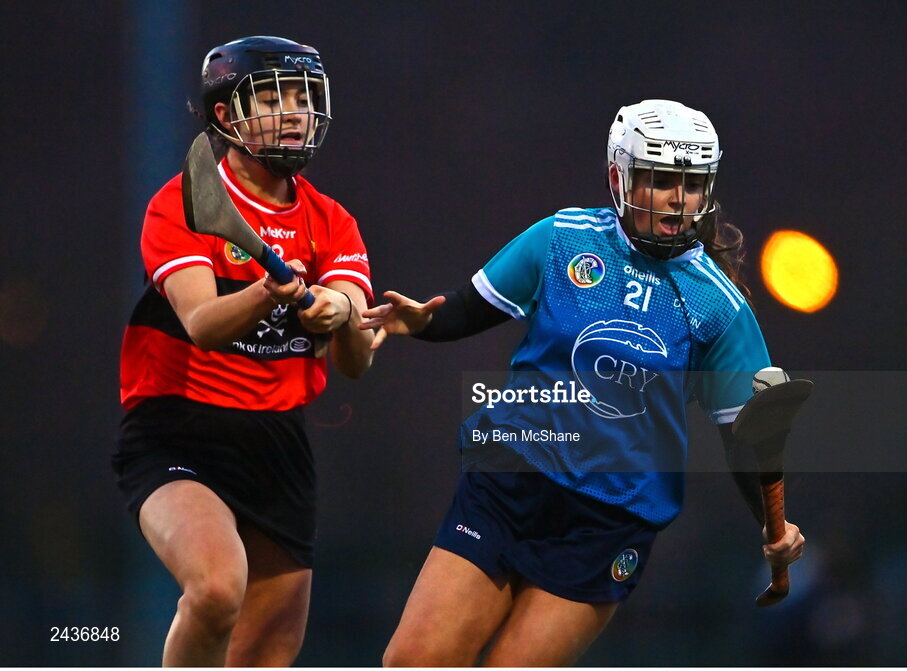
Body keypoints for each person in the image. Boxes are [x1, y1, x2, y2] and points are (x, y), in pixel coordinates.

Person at [362, 99, 805, 666]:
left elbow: (750, 436)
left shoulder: (719, 304)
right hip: (507, 487)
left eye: (692, 185)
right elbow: (467, 309)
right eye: (661, 181)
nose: (678, 199)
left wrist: (774, 527)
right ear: (620, 177)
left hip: (605, 524)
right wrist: (422, 322)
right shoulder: (562, 238)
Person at [112, 36, 374, 666]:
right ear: (227, 115)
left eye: (304, 98)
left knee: (266, 654)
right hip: (179, 429)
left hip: (279, 442)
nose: (294, 113)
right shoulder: (183, 203)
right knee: (215, 589)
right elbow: (203, 323)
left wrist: (342, 313)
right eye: (274, 97)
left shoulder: (331, 221)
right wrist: (269, 291)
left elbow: (355, 361)